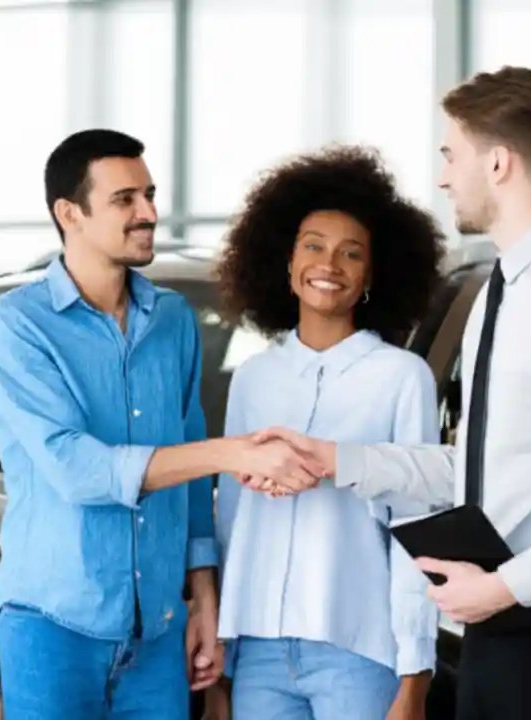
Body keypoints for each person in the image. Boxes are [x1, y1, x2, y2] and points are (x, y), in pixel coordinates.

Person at [250, 67, 531, 719]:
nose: (444, 176)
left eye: (452, 155)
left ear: (499, 162)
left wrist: (509, 585)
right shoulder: (501, 293)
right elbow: (482, 469)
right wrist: (335, 460)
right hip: (496, 622)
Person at [0, 129, 328, 719]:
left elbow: (189, 465)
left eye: (150, 194)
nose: (149, 213)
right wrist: (233, 453)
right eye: (125, 200)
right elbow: (75, 468)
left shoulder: (171, 319)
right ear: (70, 214)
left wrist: (204, 602)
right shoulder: (18, 323)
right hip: (52, 624)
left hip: (160, 631)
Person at [208, 145, 446, 720]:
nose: (329, 264)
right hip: (258, 653)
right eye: (313, 246)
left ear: (370, 275)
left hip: (359, 651)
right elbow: (231, 525)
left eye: (351, 253)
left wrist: (415, 673)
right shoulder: (253, 380)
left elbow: (419, 530)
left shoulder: (401, 377)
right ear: (286, 263)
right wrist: (223, 659)